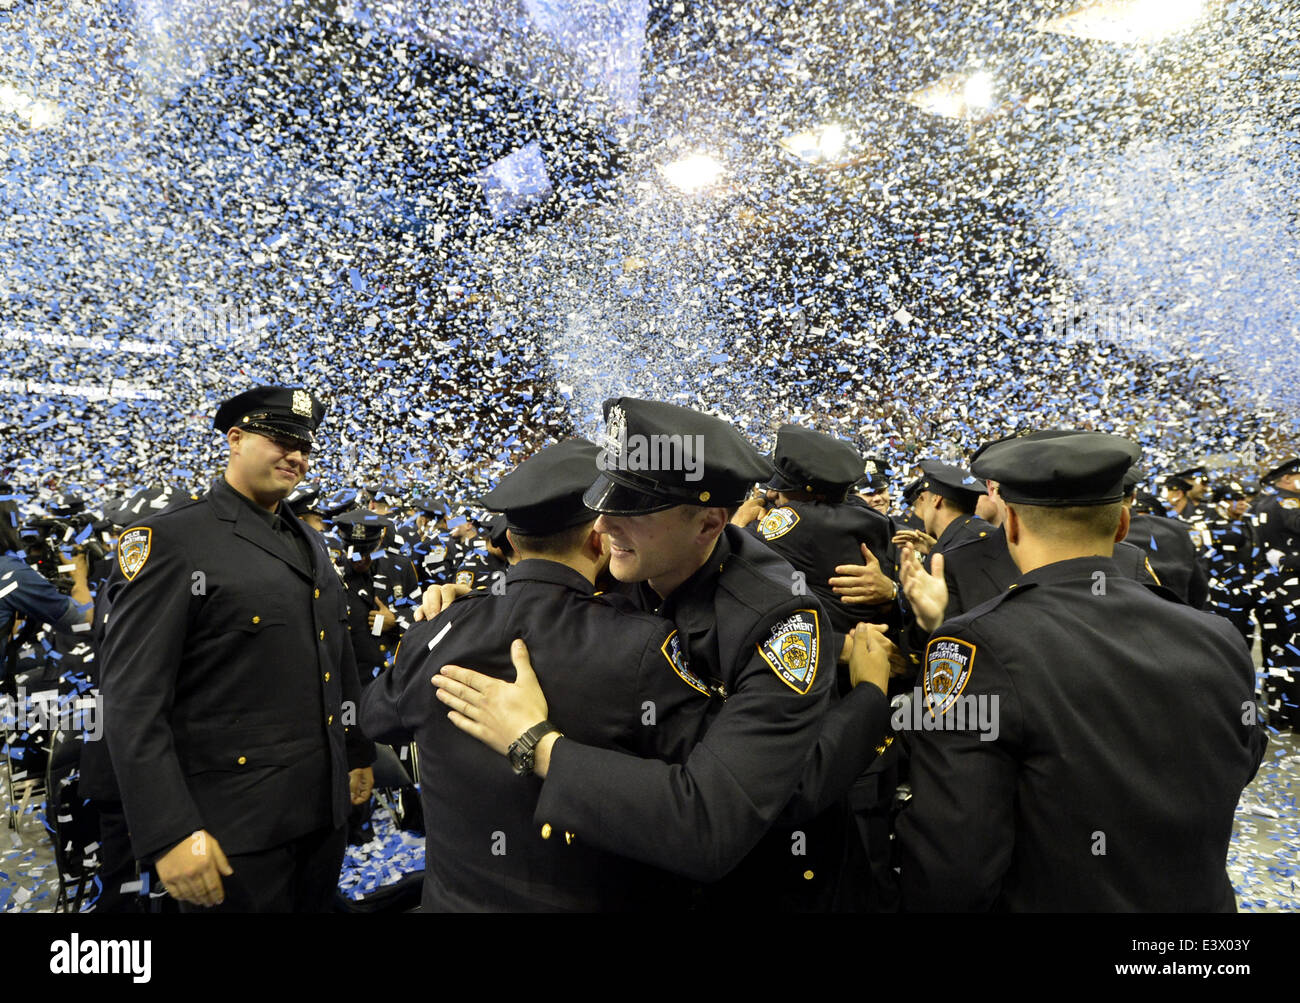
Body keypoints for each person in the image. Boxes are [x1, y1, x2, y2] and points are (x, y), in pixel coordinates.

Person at [432, 398, 897, 910]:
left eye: (632, 510)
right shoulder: (630, 560)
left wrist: (539, 747)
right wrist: (474, 603)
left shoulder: (778, 620)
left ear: (708, 523)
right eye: (604, 503)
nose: (604, 527)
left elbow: (722, 819)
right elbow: (544, 590)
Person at [896, 430, 1267, 911]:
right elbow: (1244, 756)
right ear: (1121, 525)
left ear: (1010, 525)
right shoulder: (1217, 635)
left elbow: (956, 854)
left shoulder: (977, 642)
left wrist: (934, 629)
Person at [361, 439, 713, 910]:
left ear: (509, 540)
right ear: (597, 538)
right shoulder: (642, 645)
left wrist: (435, 629)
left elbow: (376, 718)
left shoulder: (442, 624)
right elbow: (704, 802)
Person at [97, 386, 375, 912]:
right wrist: (170, 832)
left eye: (306, 446)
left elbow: (334, 657)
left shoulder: (310, 541)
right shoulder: (172, 540)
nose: (296, 455)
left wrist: (358, 752)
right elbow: (133, 699)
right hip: (233, 828)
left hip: (322, 811)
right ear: (236, 438)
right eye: (280, 439)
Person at [1254, 458, 1300, 727]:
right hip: (1291, 591)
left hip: (1272, 591)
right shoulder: (1285, 503)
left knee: (1277, 651)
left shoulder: (1265, 502)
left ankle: (1281, 715)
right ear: (1287, 479)